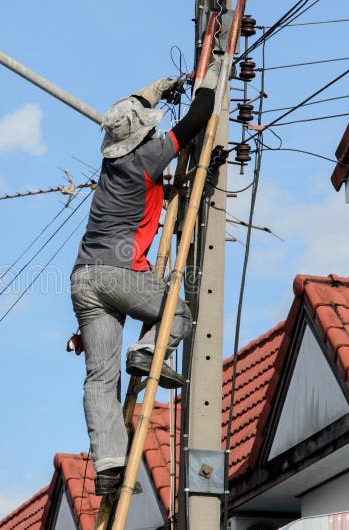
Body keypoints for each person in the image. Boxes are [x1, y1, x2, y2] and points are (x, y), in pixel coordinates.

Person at [69, 62, 219, 495]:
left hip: (84, 280)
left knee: (99, 378)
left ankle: (109, 466)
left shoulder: (111, 164)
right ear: (141, 138)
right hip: (118, 275)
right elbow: (197, 118)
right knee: (180, 312)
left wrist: (160, 87)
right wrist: (211, 78)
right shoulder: (147, 156)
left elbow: (131, 111)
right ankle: (147, 350)